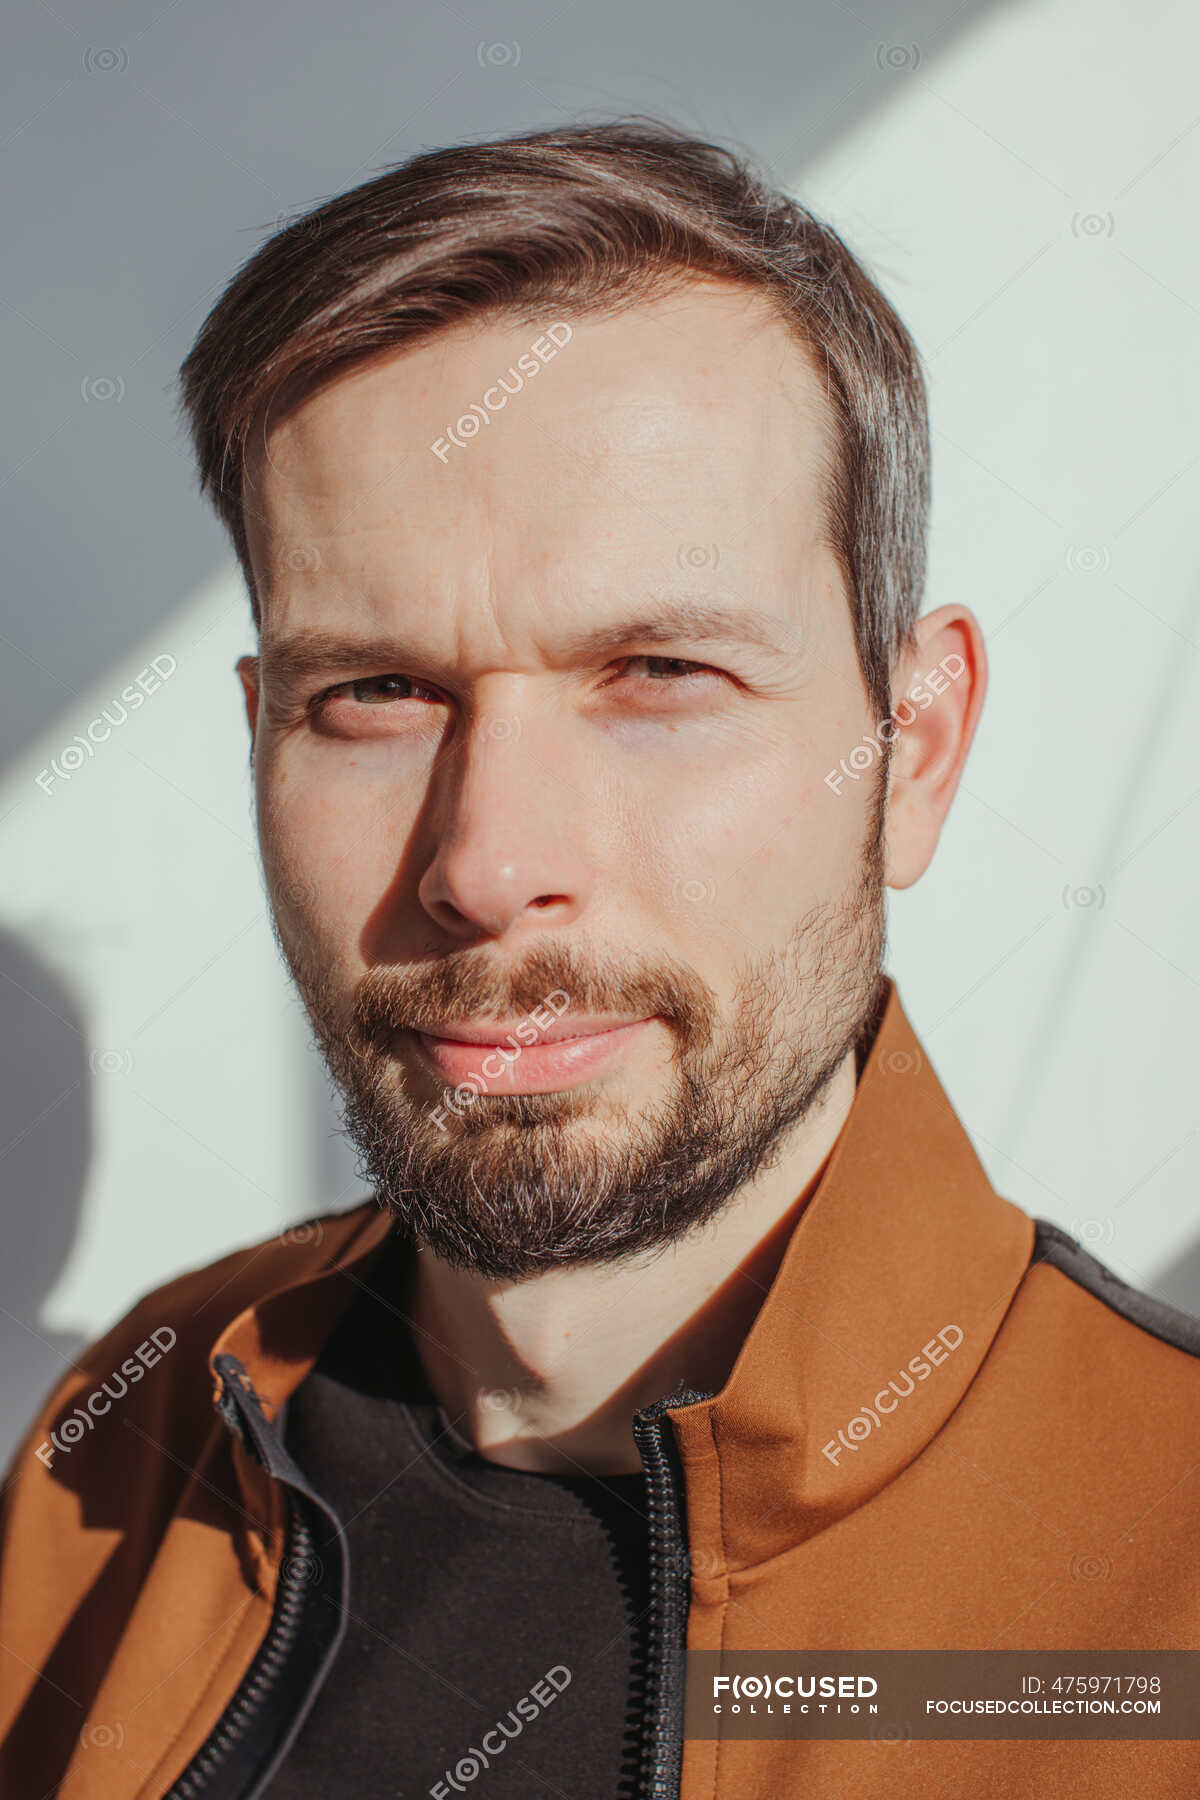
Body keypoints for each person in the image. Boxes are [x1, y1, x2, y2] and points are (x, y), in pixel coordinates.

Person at [3, 117, 1199, 1800]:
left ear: (913, 750)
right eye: (377, 694)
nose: (490, 867)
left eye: (656, 674)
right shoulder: (131, 1442)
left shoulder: (1171, 1580)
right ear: (261, 740)